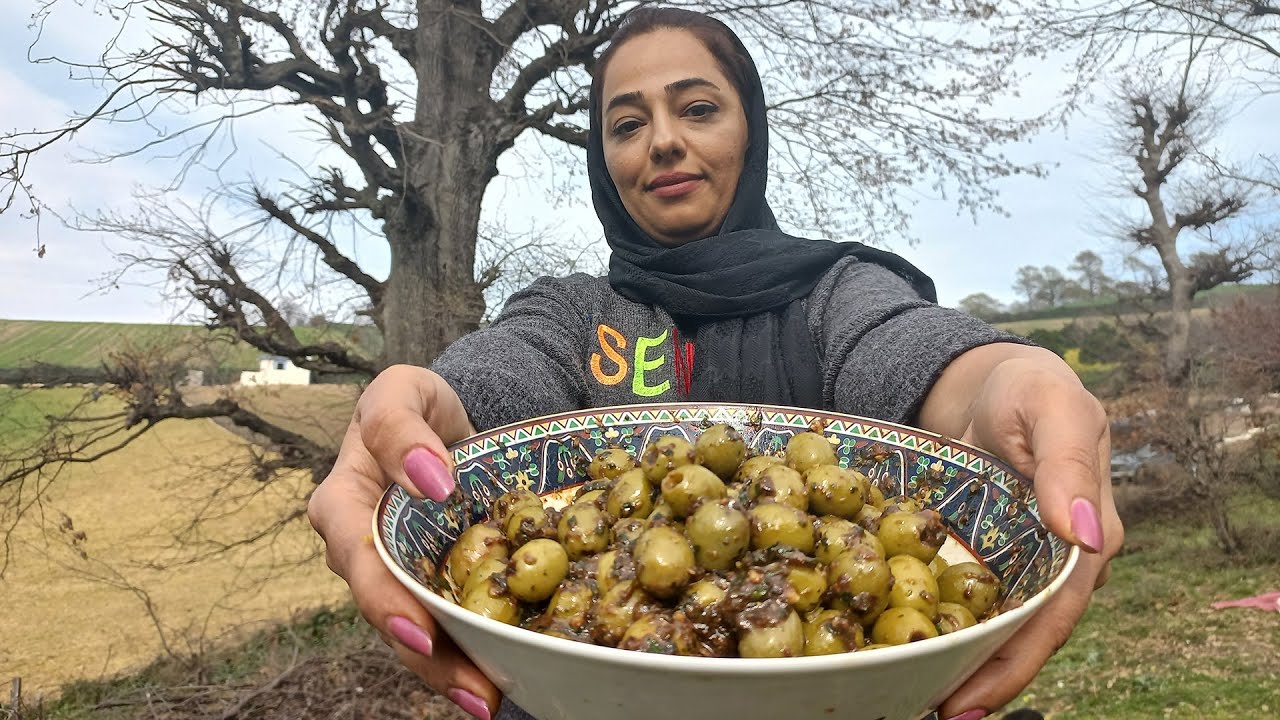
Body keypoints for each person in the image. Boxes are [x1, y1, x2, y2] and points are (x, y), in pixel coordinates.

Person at [307, 8, 1123, 720]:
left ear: (750, 130)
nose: (663, 140)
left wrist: (1012, 377)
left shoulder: (833, 291)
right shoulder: (574, 312)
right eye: (626, 125)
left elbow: (912, 347)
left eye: (697, 108)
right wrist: (422, 403)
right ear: (604, 163)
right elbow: (497, 375)